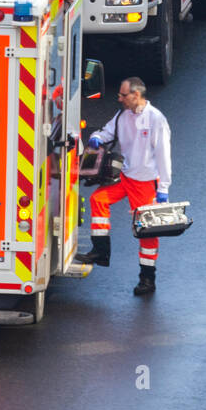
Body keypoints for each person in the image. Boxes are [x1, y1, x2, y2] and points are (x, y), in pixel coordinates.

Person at [77, 76, 172, 296]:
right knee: (98, 200)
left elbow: (164, 155)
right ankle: (100, 251)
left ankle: (147, 279)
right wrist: (97, 138)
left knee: (147, 232)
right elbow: (107, 131)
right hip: (127, 178)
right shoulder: (123, 115)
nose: (119, 98)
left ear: (136, 95)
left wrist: (163, 188)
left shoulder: (156, 119)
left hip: (146, 183)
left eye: (123, 95)